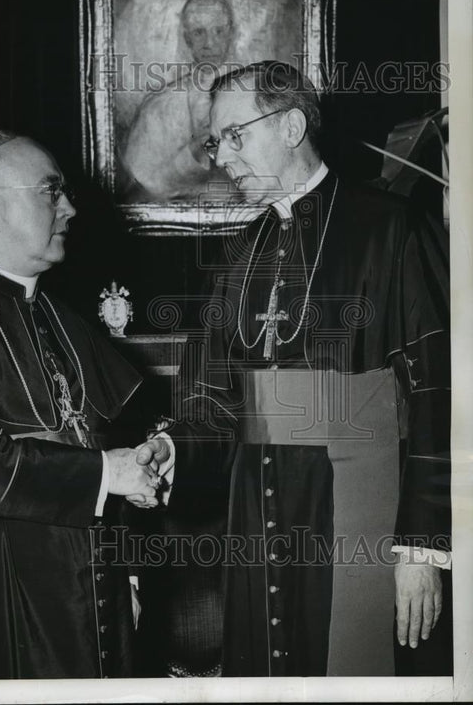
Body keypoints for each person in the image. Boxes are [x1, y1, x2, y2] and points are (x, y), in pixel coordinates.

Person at [135, 61, 452, 676]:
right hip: (256, 512)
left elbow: (440, 390)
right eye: (215, 141)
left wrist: (421, 545)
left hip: (360, 509)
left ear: (291, 126)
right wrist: (174, 447)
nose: (222, 157)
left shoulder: (391, 226)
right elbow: (214, 399)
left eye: (235, 135)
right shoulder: (238, 252)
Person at [0, 130, 158, 679]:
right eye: (49, 191)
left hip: (91, 583)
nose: (69, 208)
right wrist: (109, 472)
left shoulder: (64, 317)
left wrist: (127, 572)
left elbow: (102, 440)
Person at [121, 0, 236, 202]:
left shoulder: (258, 99)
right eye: (199, 32)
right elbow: (137, 188)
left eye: (218, 31)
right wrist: (191, 156)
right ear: (187, 38)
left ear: (231, 34)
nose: (209, 43)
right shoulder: (157, 108)